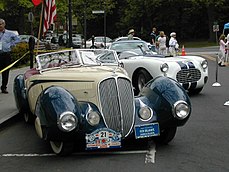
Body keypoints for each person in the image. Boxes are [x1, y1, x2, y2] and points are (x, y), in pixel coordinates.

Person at [0, 18, 20, 94]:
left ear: (4, 24)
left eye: (1, 24)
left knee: (5, 72)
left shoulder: (9, 33)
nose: (0, 26)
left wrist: (11, 45)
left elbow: (18, 39)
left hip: (5, 55)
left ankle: (4, 87)